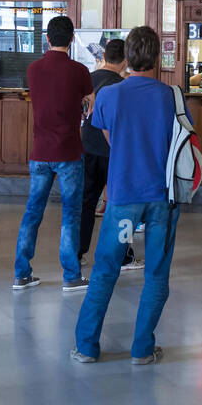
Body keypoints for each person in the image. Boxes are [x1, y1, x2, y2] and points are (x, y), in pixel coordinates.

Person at [73, 26, 181, 365]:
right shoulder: (170, 96)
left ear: (125, 58)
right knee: (156, 273)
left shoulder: (109, 95)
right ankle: (142, 348)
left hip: (122, 197)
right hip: (161, 198)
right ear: (158, 57)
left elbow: (106, 134)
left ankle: (87, 346)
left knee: (105, 269)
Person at [15, 14, 94, 293]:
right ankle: (71, 276)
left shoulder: (33, 69)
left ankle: (21, 274)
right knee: (71, 213)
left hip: (40, 152)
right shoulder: (80, 72)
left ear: (47, 38)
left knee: (32, 212)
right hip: (70, 151)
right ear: (72, 40)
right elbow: (90, 105)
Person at [79, 38, 140, 273]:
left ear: (104, 57)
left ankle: (79, 252)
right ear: (125, 60)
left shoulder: (88, 80)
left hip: (87, 147)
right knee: (119, 204)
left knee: (86, 202)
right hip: (115, 151)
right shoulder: (123, 86)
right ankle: (124, 256)